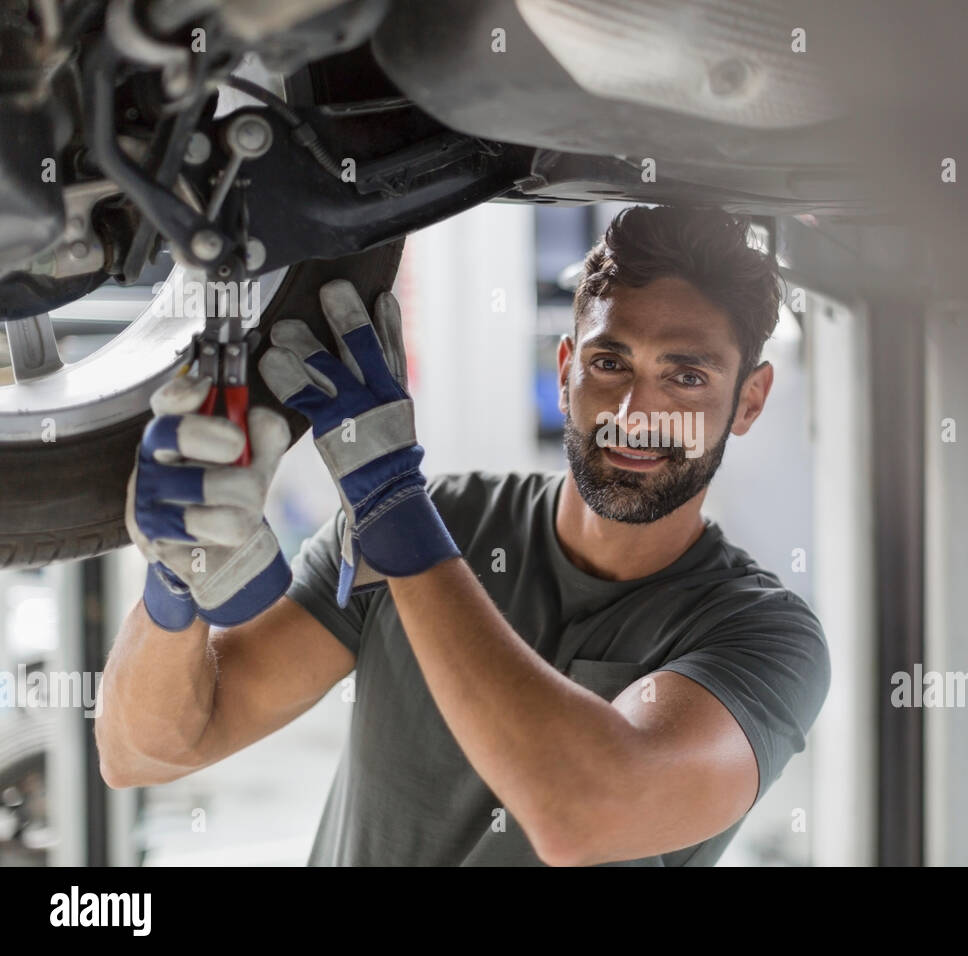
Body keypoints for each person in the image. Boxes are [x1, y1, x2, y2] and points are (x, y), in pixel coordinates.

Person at [98, 205, 831, 866]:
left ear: (749, 400)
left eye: (688, 376)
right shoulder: (446, 516)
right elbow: (148, 752)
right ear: (568, 370)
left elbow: (582, 813)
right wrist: (174, 583)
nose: (637, 410)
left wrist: (399, 519)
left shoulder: (763, 637)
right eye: (611, 363)